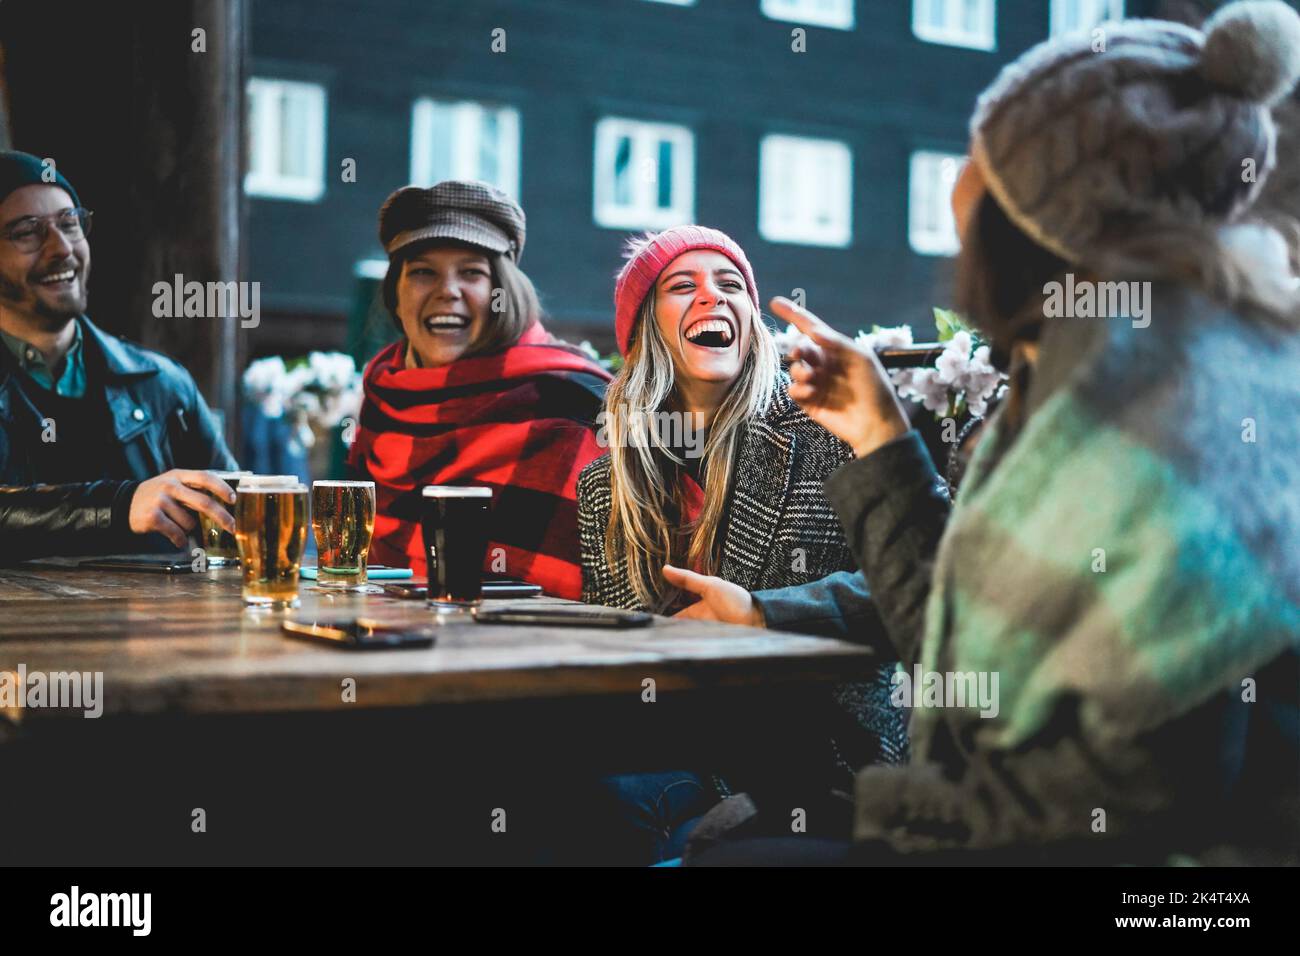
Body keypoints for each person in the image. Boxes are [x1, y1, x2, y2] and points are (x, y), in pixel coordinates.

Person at [691, 0, 1300, 865]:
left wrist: (878, 808)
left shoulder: (1157, 427)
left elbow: (1122, 815)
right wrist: (880, 443)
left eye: (981, 160)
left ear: (1041, 221)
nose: (957, 186)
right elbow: (977, 601)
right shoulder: (1124, 358)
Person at [576, 225, 906, 863]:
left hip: (817, 752)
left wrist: (762, 613)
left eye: (731, 286)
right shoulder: (605, 485)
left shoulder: (823, 428)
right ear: (646, 330)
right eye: (683, 286)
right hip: (673, 741)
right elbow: (612, 643)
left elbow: (925, 585)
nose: (713, 297)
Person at [348, 181, 611, 599]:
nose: (447, 290)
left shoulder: (574, 401)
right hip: (390, 645)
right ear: (395, 296)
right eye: (422, 272)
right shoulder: (382, 400)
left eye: (471, 272)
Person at [0, 150, 240, 558]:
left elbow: (232, 517)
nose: (61, 248)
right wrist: (120, 506)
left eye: (69, 224)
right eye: (27, 231)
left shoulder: (163, 385)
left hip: (152, 623)